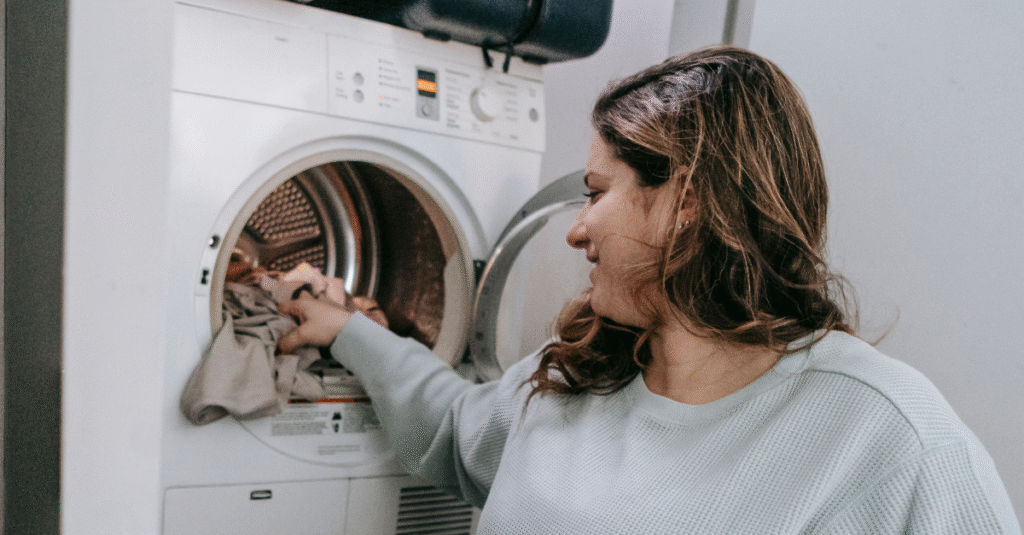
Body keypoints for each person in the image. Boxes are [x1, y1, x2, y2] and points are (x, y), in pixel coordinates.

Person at [276, 47, 1020, 533]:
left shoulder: (886, 434)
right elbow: (449, 426)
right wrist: (346, 328)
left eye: (598, 191)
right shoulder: (578, 374)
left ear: (687, 198)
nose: (575, 230)